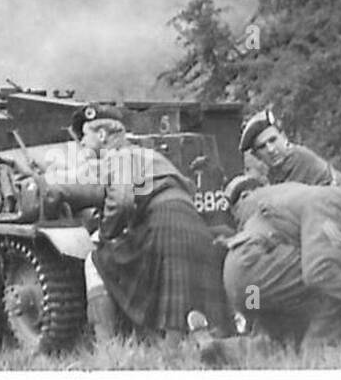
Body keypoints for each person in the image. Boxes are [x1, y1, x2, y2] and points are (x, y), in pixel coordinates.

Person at [76, 104, 230, 344]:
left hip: (162, 221)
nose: (82, 142)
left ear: (103, 135)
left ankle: (106, 345)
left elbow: (123, 201)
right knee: (181, 307)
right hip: (191, 220)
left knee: (95, 261)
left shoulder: (119, 156)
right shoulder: (151, 155)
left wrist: (106, 235)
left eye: (85, 135)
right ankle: (195, 345)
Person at [218, 162, 341, 349]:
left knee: (285, 343)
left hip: (251, 286)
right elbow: (318, 272)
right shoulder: (331, 206)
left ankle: (221, 350)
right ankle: (321, 353)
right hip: (256, 272)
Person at [240, 110, 341, 187]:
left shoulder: (300, 159)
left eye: (273, 140)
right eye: (262, 147)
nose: (271, 150)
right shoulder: (274, 172)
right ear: (257, 155)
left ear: (284, 136)